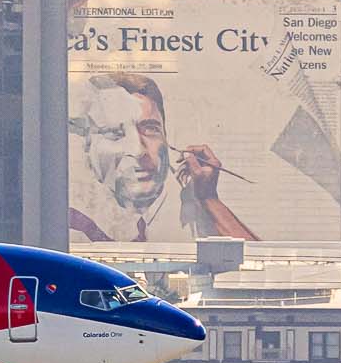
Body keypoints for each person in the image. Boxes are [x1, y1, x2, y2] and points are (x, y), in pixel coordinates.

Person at [68, 66, 260, 247]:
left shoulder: (198, 210)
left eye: (150, 129)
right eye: (114, 133)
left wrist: (209, 198)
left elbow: (264, 268)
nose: (138, 151)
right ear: (88, 146)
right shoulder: (70, 221)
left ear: (166, 137)